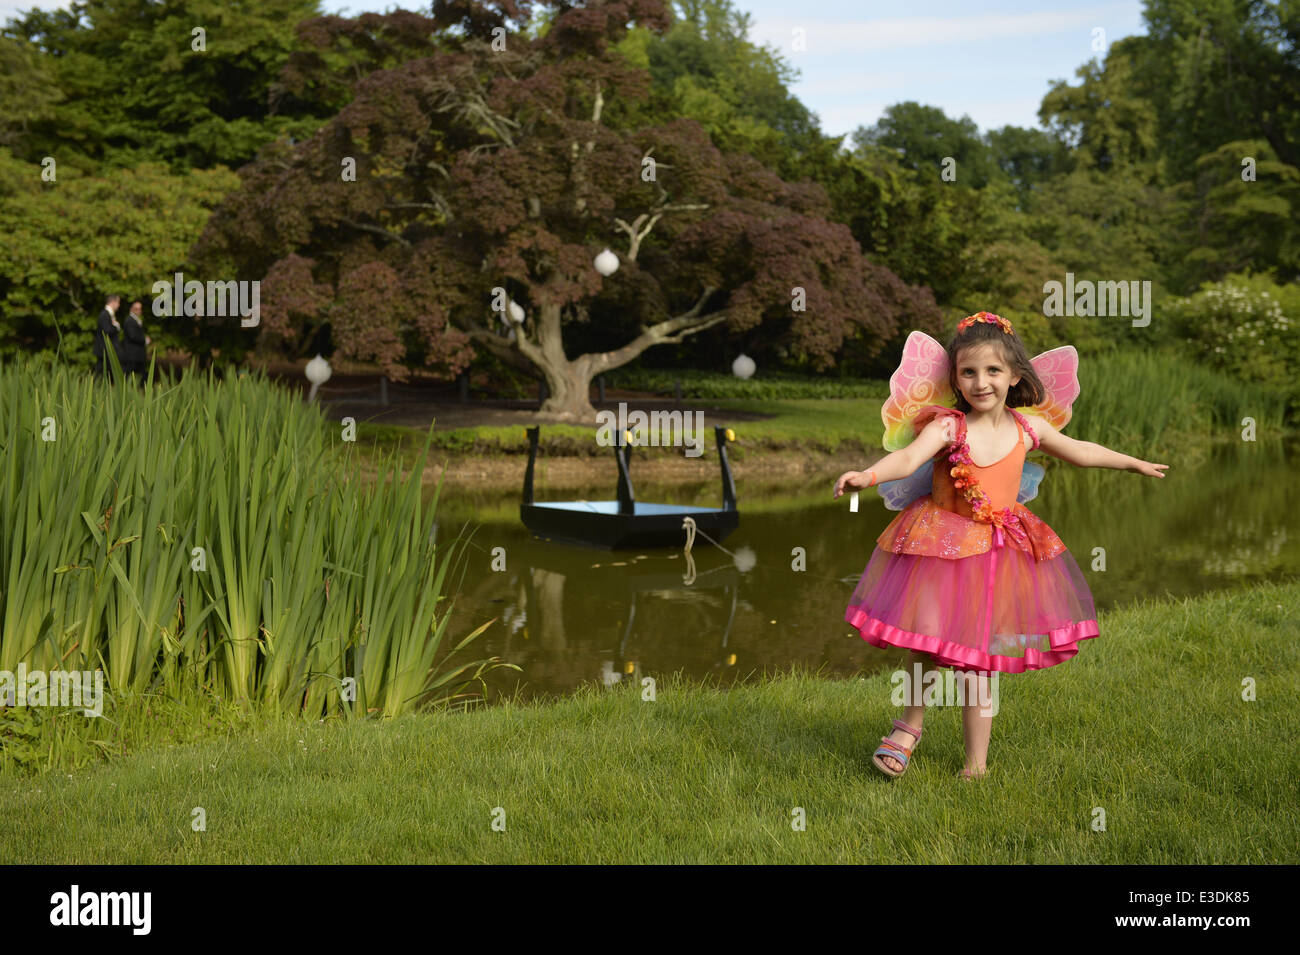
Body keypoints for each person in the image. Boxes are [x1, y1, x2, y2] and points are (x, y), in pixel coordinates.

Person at [832, 311, 1169, 781]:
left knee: (980, 662)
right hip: (940, 547)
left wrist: (1134, 463)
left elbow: (1082, 451)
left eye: (992, 371)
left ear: (1014, 376)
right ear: (955, 378)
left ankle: (976, 765)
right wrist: (867, 476)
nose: (980, 381)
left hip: (996, 555)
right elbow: (907, 457)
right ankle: (908, 727)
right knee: (924, 644)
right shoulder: (948, 427)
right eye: (968, 372)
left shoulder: (1029, 430)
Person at [120, 299, 151, 382]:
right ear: (131, 309)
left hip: (137, 354)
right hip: (132, 354)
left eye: (140, 309)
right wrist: (145, 340)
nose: (139, 311)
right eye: (136, 309)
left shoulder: (135, 320)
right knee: (130, 375)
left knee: (141, 374)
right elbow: (133, 336)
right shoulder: (130, 320)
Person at [92, 294, 122, 379]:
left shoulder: (107, 314)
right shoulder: (105, 314)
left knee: (103, 372)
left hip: (105, 350)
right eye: (118, 302)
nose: (119, 305)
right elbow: (107, 330)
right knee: (100, 372)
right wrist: (116, 327)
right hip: (104, 350)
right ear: (113, 302)